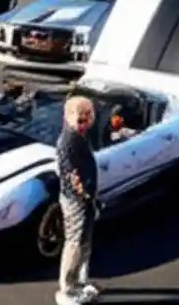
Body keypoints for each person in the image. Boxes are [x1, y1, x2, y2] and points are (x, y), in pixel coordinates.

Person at [55, 96, 100, 305]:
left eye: (88, 117)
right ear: (68, 118)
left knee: (85, 241)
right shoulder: (68, 142)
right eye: (80, 120)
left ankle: (81, 281)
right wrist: (85, 196)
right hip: (76, 200)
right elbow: (71, 175)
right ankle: (67, 289)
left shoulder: (81, 137)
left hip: (87, 198)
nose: (85, 124)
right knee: (74, 242)